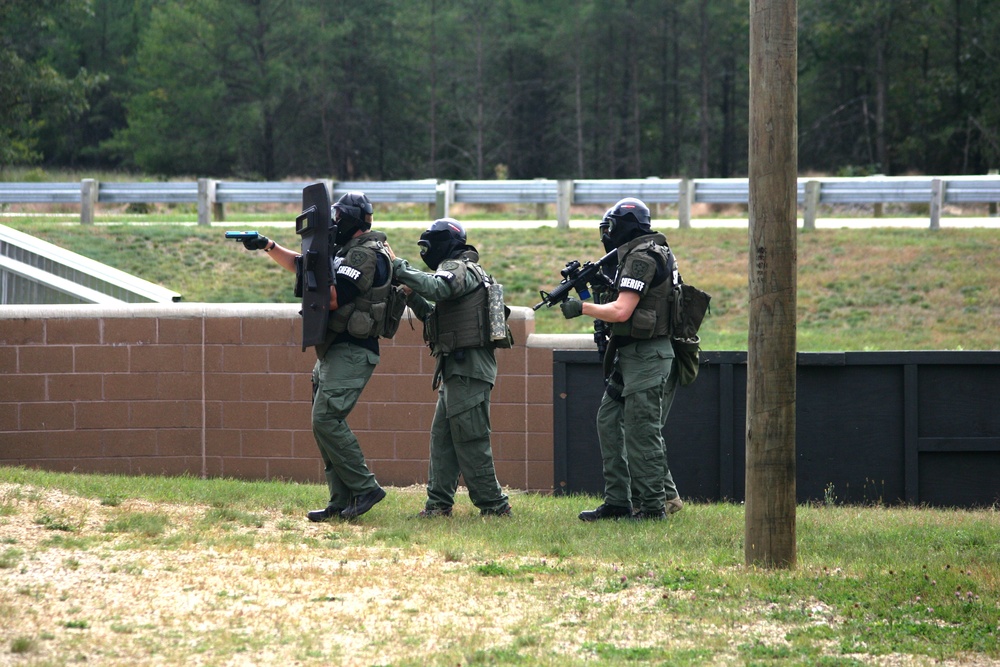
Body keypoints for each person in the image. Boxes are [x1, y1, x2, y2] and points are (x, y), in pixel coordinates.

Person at [242, 192, 391, 521]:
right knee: (322, 425)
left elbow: (334, 298)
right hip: (333, 349)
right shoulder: (344, 251)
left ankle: (366, 488)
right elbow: (303, 266)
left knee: (326, 420)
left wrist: (312, 273)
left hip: (352, 350)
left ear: (351, 220)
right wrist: (267, 246)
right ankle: (341, 500)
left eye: (338, 217)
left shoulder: (364, 255)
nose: (333, 222)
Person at [560, 197, 684, 521]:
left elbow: (621, 310)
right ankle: (618, 501)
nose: (607, 235)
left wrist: (581, 307)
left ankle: (653, 507)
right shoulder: (646, 253)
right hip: (632, 354)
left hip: (647, 356)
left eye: (610, 228)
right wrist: (594, 288)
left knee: (642, 432)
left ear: (624, 227)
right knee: (609, 420)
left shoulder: (642, 257)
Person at [386, 218, 512, 518]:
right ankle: (438, 505)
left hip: (468, 369)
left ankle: (494, 506)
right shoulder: (464, 272)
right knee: (442, 440)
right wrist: (411, 294)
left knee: (471, 439)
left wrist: (398, 266)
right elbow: (435, 316)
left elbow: (437, 288)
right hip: (457, 369)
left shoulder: (458, 268)